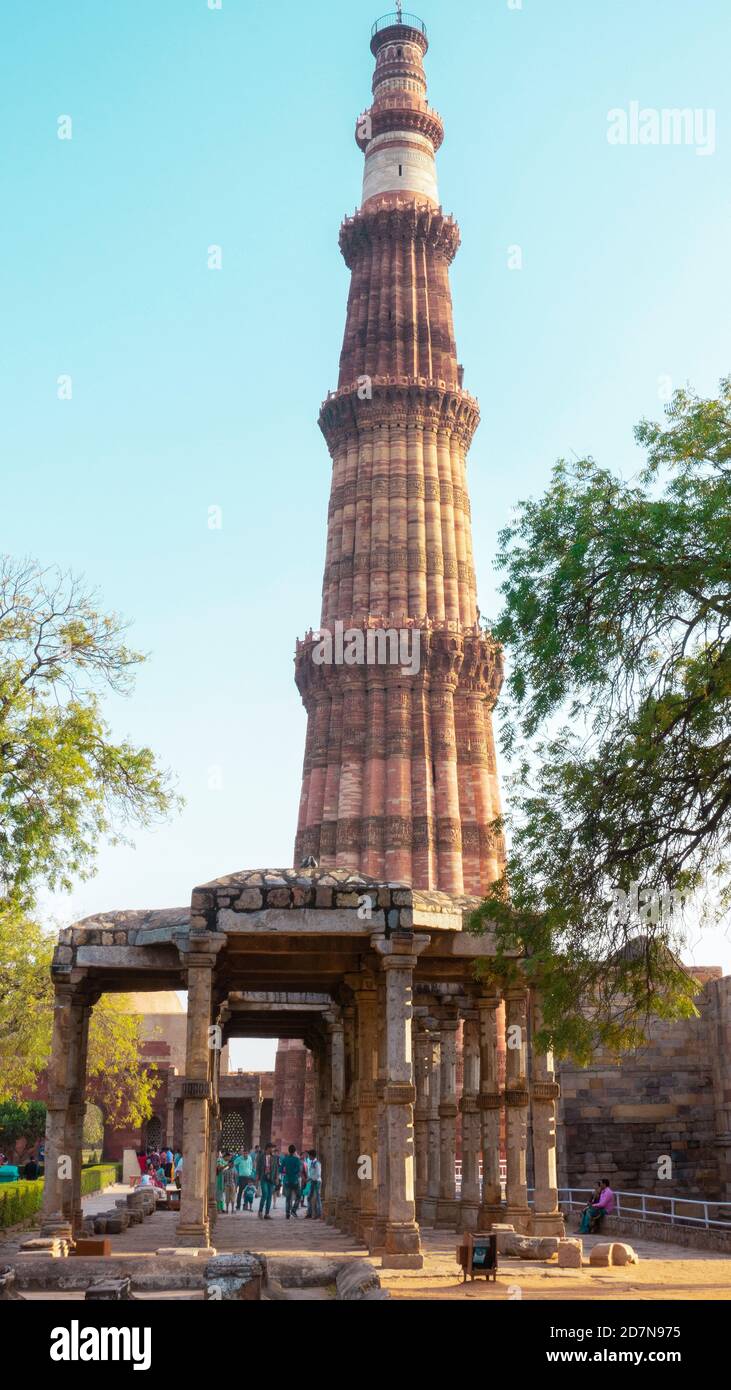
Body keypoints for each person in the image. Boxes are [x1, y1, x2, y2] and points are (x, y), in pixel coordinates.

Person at [282, 1144, 302, 1220]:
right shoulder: (297, 1160)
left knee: (288, 1198)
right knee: (299, 1196)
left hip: (287, 1180)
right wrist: (294, 1173)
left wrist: (286, 1172)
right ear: (294, 1151)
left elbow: (281, 1169)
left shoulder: (285, 1159)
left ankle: (287, 1213)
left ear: (288, 1151)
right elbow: (299, 1170)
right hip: (295, 1180)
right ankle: (293, 1210)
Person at [256, 1143, 276, 1219]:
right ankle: (260, 1211)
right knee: (265, 1194)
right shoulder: (261, 1156)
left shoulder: (274, 1157)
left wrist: (276, 1177)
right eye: (271, 1148)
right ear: (268, 1148)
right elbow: (258, 1167)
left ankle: (267, 1213)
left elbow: (276, 1168)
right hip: (263, 1177)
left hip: (271, 1178)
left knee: (269, 1196)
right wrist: (257, 1177)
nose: (272, 1150)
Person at [305, 1150, 322, 1219]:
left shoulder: (317, 1163)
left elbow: (318, 1174)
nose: (308, 1156)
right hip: (313, 1181)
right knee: (309, 1197)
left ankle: (319, 1214)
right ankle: (309, 1213)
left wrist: (311, 1178)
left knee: (317, 1198)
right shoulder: (312, 1163)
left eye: (309, 1155)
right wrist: (310, 1178)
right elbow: (312, 1173)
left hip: (316, 1182)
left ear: (311, 1156)